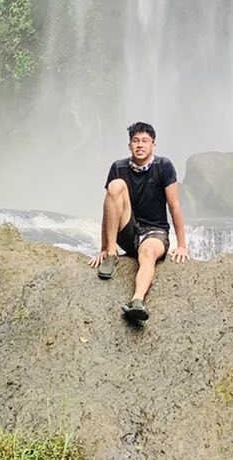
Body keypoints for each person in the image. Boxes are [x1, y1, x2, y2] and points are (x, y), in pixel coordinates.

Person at [87, 121, 190, 324]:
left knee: (148, 253)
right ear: (129, 145)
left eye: (145, 141)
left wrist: (182, 245)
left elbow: (175, 205)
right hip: (128, 230)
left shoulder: (164, 166)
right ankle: (111, 255)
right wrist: (104, 247)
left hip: (155, 231)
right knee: (115, 186)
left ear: (153, 145)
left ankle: (137, 302)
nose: (140, 145)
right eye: (135, 141)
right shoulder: (119, 167)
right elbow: (110, 209)